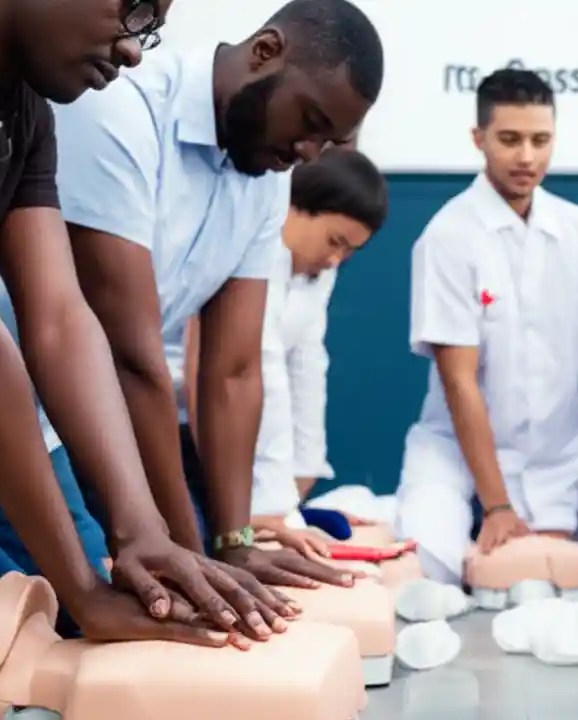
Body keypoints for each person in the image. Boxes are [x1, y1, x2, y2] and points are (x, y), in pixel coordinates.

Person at [0, 0, 275, 648]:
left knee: (54, 626)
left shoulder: (26, 116)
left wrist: (142, 531)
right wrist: (83, 588)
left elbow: (60, 319)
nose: (135, 48)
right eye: (132, 8)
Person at [53, 0, 383, 593]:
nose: (309, 152)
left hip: (56, 423)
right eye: (309, 120)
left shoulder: (266, 177)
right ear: (264, 53)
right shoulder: (124, 106)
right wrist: (190, 552)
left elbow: (233, 370)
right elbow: (130, 357)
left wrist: (234, 544)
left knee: (115, 600)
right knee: (61, 610)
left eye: (328, 141)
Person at [396, 69, 578, 585]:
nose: (527, 156)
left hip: (562, 454)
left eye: (540, 140)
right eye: (510, 140)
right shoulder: (448, 236)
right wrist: (497, 503)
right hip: (455, 454)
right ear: (478, 139)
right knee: (428, 568)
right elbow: (459, 381)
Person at [183, 147, 389, 557]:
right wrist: (271, 504)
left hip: (236, 445)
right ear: (295, 206)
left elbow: (308, 366)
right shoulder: (254, 247)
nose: (335, 259)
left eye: (349, 252)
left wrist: (303, 472)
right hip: (179, 431)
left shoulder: (318, 269)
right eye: (335, 242)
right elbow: (259, 367)